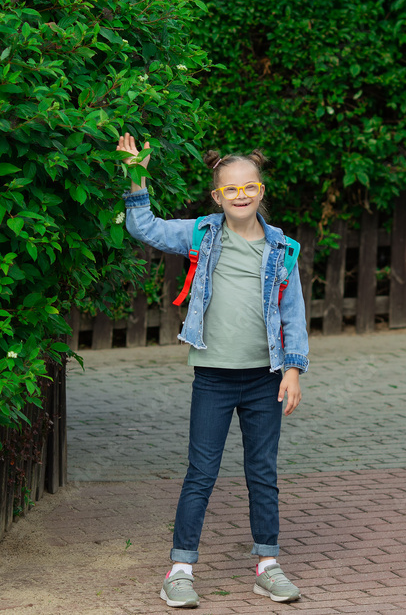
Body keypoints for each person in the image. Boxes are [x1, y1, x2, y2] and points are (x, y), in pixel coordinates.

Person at [119, 134, 308, 607]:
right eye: (230, 189)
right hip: (214, 379)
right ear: (216, 195)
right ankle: (179, 570)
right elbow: (144, 227)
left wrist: (293, 369)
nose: (240, 195)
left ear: (262, 191)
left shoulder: (282, 249)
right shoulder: (202, 235)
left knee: (262, 472)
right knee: (200, 471)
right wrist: (136, 178)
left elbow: (292, 313)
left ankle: (267, 564)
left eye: (249, 187)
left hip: (265, 377)